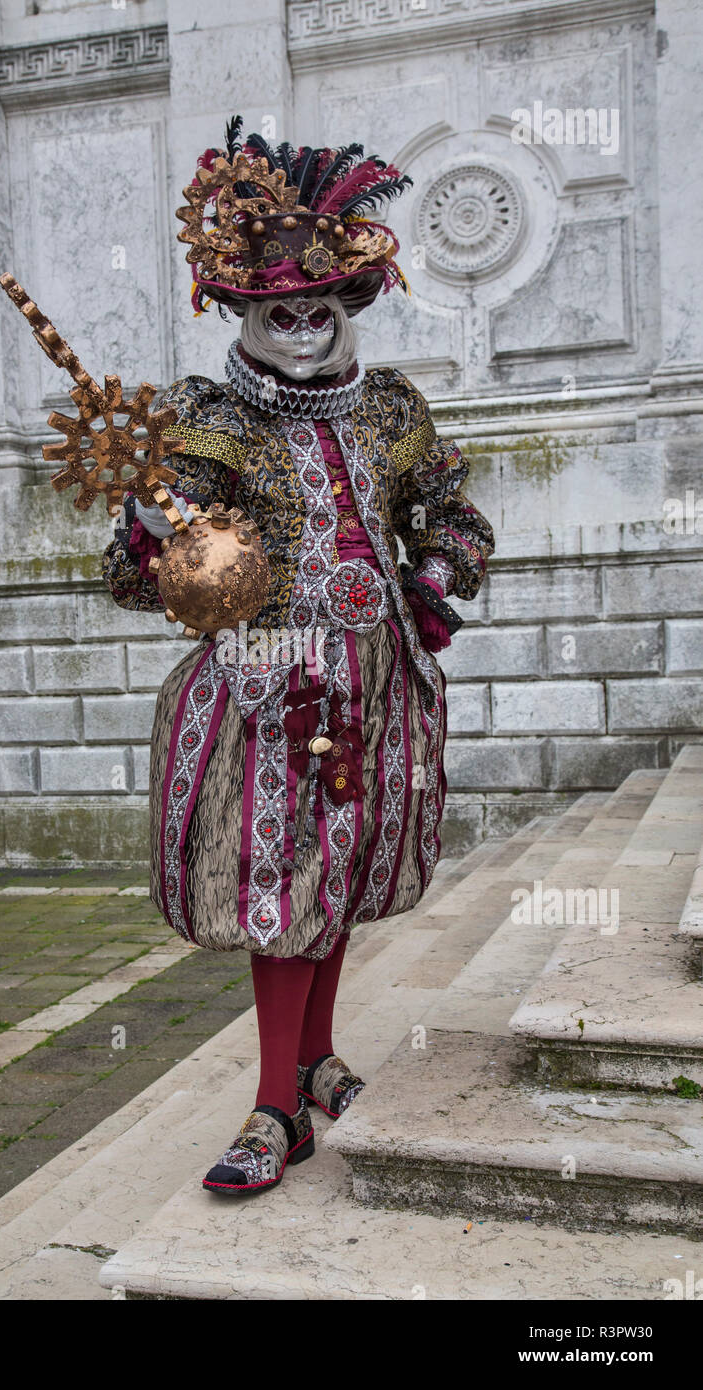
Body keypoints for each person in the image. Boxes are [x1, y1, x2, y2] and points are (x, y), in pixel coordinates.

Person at [102, 119, 494, 1195]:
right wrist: (155, 532)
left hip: (380, 677)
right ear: (238, 310)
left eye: (319, 306)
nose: (303, 324)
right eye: (279, 309)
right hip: (266, 688)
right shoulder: (205, 422)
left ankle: (314, 1063)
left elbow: (452, 514)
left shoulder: (391, 410)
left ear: (349, 302)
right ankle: (277, 1108)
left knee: (333, 883)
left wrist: (430, 576)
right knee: (279, 888)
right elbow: (146, 579)